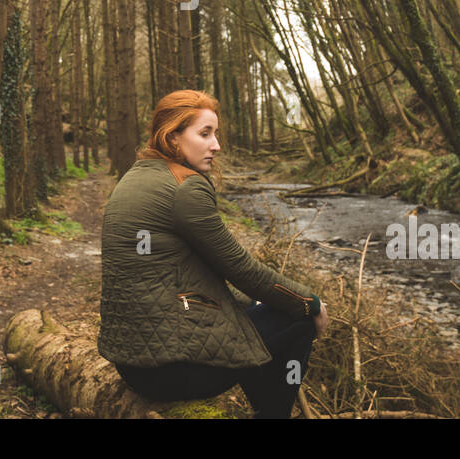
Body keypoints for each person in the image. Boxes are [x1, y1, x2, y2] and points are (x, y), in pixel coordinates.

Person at [97, 89, 328, 418]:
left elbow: (198, 276)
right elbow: (242, 269)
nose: (216, 145)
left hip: (132, 367)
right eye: (205, 134)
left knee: (256, 310)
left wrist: (252, 304)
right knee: (297, 320)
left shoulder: (135, 177)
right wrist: (310, 303)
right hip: (173, 373)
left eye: (215, 134)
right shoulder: (185, 187)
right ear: (173, 136)